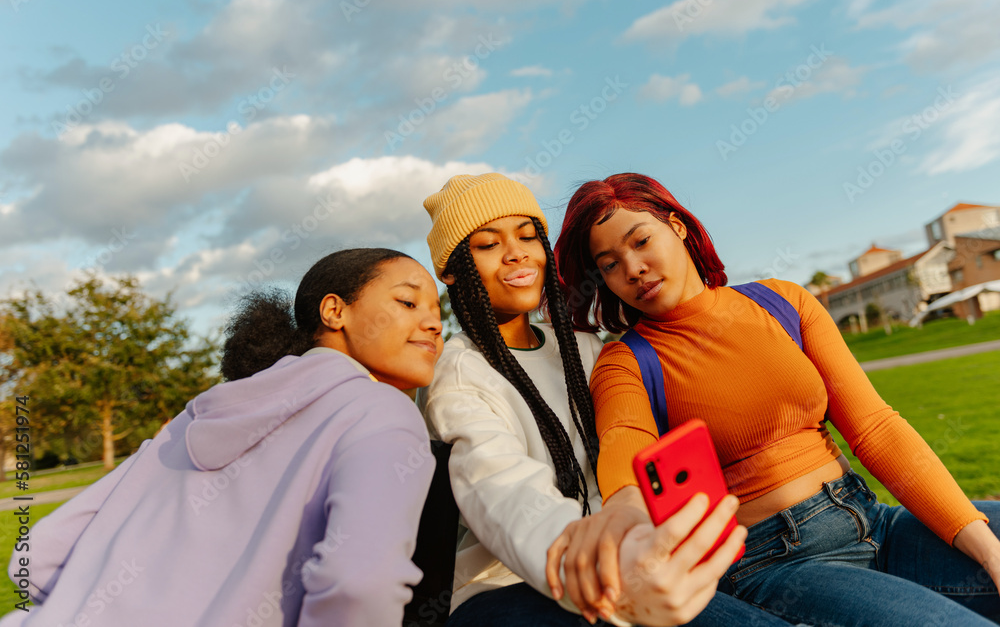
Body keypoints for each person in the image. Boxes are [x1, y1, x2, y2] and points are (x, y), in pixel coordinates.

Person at [553, 172, 1000, 626]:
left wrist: (987, 549)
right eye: (609, 264)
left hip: (874, 518)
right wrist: (627, 505)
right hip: (777, 563)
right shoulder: (625, 361)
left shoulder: (782, 302)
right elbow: (624, 442)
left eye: (641, 240)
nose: (633, 269)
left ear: (678, 227)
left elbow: (875, 428)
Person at [421, 172, 792, 626]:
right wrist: (594, 562)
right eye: (487, 244)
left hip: (632, 554)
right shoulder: (459, 372)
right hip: (517, 584)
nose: (516, 252)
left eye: (526, 236)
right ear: (451, 269)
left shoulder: (586, 348)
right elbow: (500, 488)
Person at [2, 248, 443, 627]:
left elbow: (40, 552)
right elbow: (359, 584)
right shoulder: (381, 413)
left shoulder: (198, 412)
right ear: (334, 311)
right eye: (408, 302)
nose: (434, 324)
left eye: (436, 311)